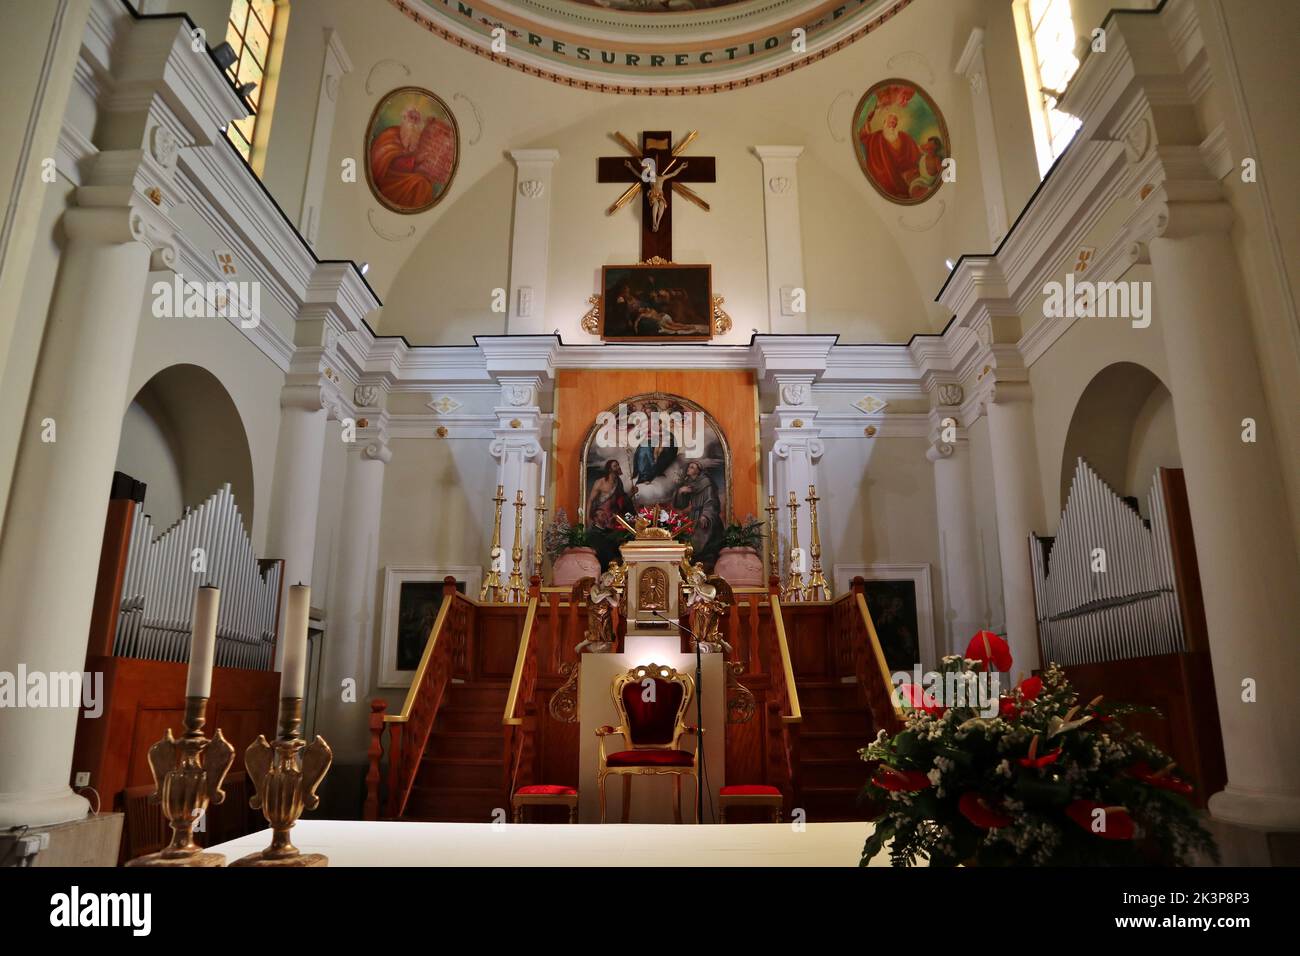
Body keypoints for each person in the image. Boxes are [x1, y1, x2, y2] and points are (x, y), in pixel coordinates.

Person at [859, 86, 923, 201]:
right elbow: (863, 139)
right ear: (884, 122)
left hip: (900, 177)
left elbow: (915, 152)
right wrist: (866, 124)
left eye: (895, 122)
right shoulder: (876, 137)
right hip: (883, 177)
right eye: (890, 121)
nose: (892, 123)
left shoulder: (903, 137)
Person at [672, 461, 723, 564]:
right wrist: (680, 493)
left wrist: (705, 515)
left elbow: (711, 501)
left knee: (701, 542)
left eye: (692, 467)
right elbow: (680, 505)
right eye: (689, 466)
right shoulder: (689, 483)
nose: (688, 468)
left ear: (698, 471)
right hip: (692, 515)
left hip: (703, 515)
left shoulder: (706, 483)